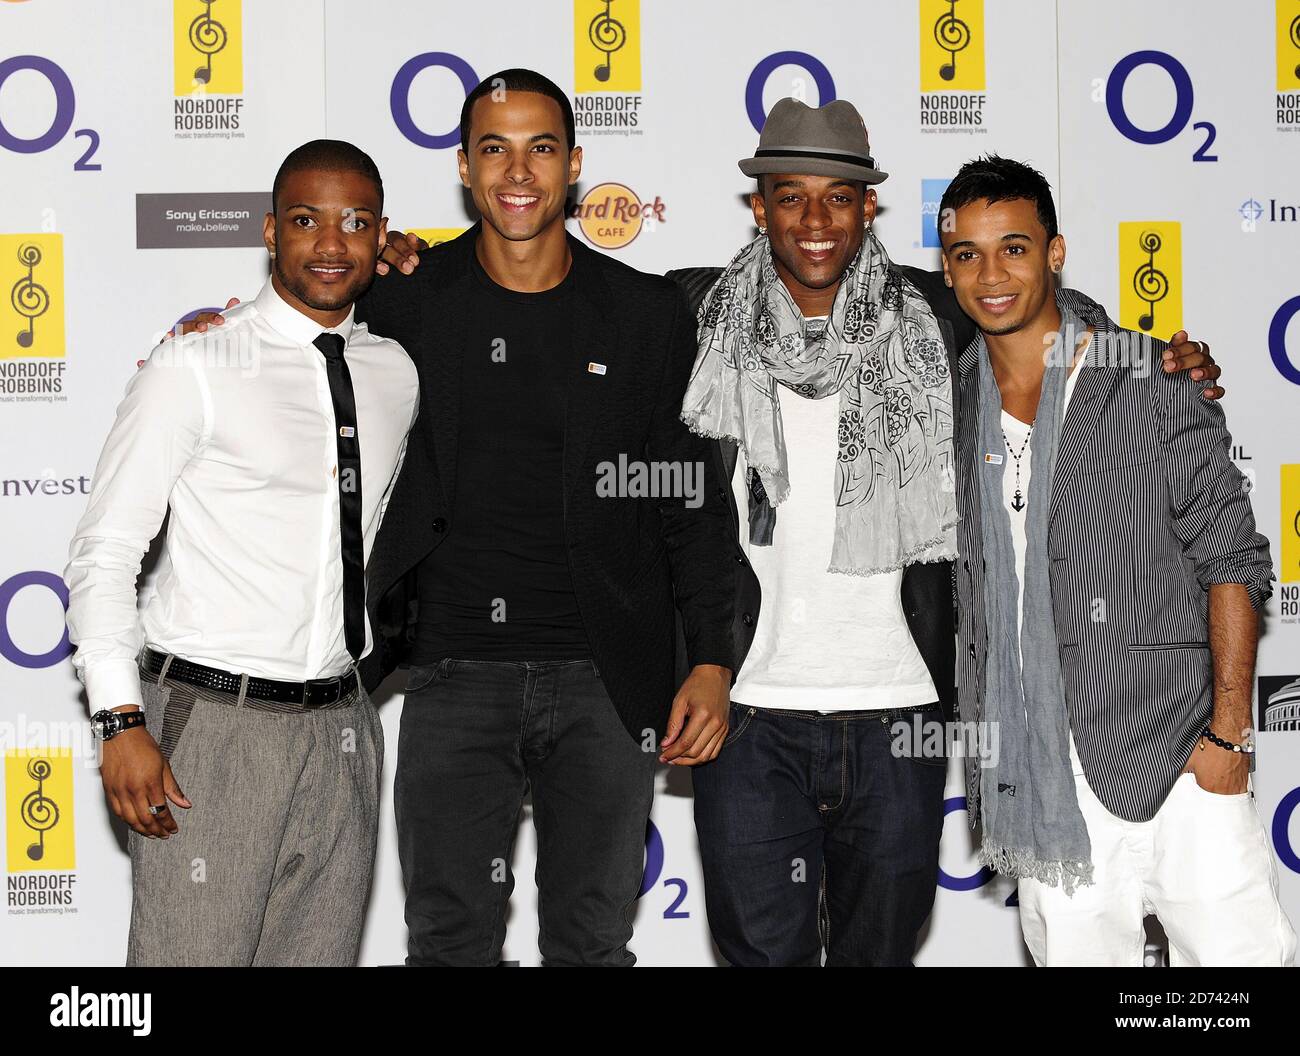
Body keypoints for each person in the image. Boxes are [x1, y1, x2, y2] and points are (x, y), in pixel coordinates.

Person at [187, 71, 738, 965]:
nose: (517, 171)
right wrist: (211, 334)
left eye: (541, 148)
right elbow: (296, 321)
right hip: (450, 678)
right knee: (447, 940)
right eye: (495, 148)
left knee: (593, 942)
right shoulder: (407, 298)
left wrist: (711, 658)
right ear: (464, 167)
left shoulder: (644, 316)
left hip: (607, 683)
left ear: (574, 166)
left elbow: (690, 502)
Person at [667, 100, 1225, 966]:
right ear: (759, 207)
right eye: (791, 197)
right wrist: (399, 271)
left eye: (838, 197)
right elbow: (560, 305)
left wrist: (1146, 356)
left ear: (868, 208)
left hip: (902, 715)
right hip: (747, 716)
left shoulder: (931, 313)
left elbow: (1032, 308)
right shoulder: (694, 315)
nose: (815, 221)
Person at [64, 140, 418, 966]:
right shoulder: (195, 362)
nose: (330, 244)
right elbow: (105, 550)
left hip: (343, 732)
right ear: (269, 232)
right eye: (305, 221)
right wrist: (118, 719)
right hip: (210, 728)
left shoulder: (396, 370)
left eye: (355, 223)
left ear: (380, 236)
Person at [941, 154, 1296, 967]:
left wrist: (1229, 737)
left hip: (1174, 751)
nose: (991, 274)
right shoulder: (953, 403)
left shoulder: (1149, 376)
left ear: (1055, 253)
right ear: (949, 266)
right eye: (968, 254)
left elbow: (1233, 559)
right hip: (1038, 771)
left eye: (1016, 248)